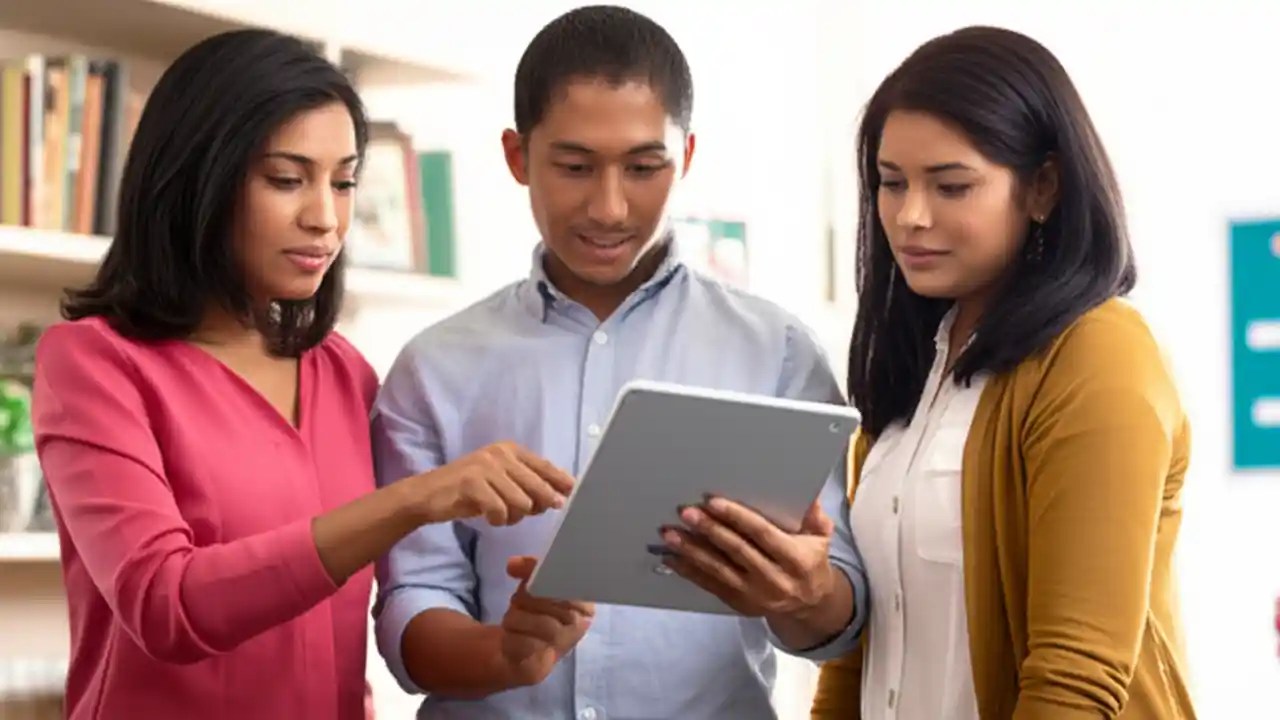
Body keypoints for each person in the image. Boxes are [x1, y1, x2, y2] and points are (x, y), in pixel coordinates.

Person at [29, 29, 574, 720]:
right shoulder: (94, 362)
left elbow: (361, 625)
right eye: (287, 180)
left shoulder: (344, 373)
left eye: (343, 182)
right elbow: (165, 604)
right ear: (199, 177)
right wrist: (414, 498)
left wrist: (505, 648)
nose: (325, 218)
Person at [370, 6, 867, 719]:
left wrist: (806, 592)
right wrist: (502, 654)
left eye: (644, 167)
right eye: (574, 167)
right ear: (517, 156)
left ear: (686, 157)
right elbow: (412, 604)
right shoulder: (435, 368)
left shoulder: (778, 351)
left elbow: (836, 615)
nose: (608, 207)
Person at [811, 25, 1197, 719]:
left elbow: (1076, 679)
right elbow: (858, 661)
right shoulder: (914, 369)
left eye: (952, 186)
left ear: (1043, 186)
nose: (910, 217)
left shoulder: (1098, 353)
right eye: (891, 183)